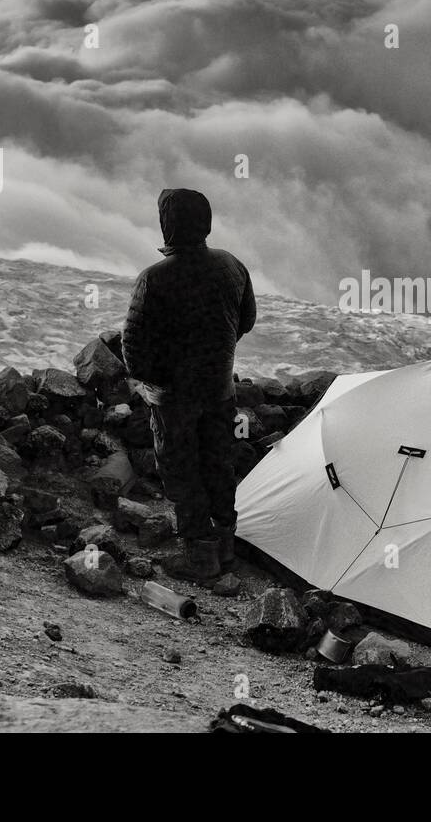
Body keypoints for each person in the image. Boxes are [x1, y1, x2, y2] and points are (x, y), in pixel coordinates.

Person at [122, 188, 256, 582]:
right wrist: (215, 355)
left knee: (181, 470)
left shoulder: (154, 279)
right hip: (219, 390)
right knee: (218, 463)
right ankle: (226, 546)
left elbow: (133, 347)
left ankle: (200, 556)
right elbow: (245, 320)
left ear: (168, 224)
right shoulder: (233, 266)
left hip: (174, 398)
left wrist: (156, 381)